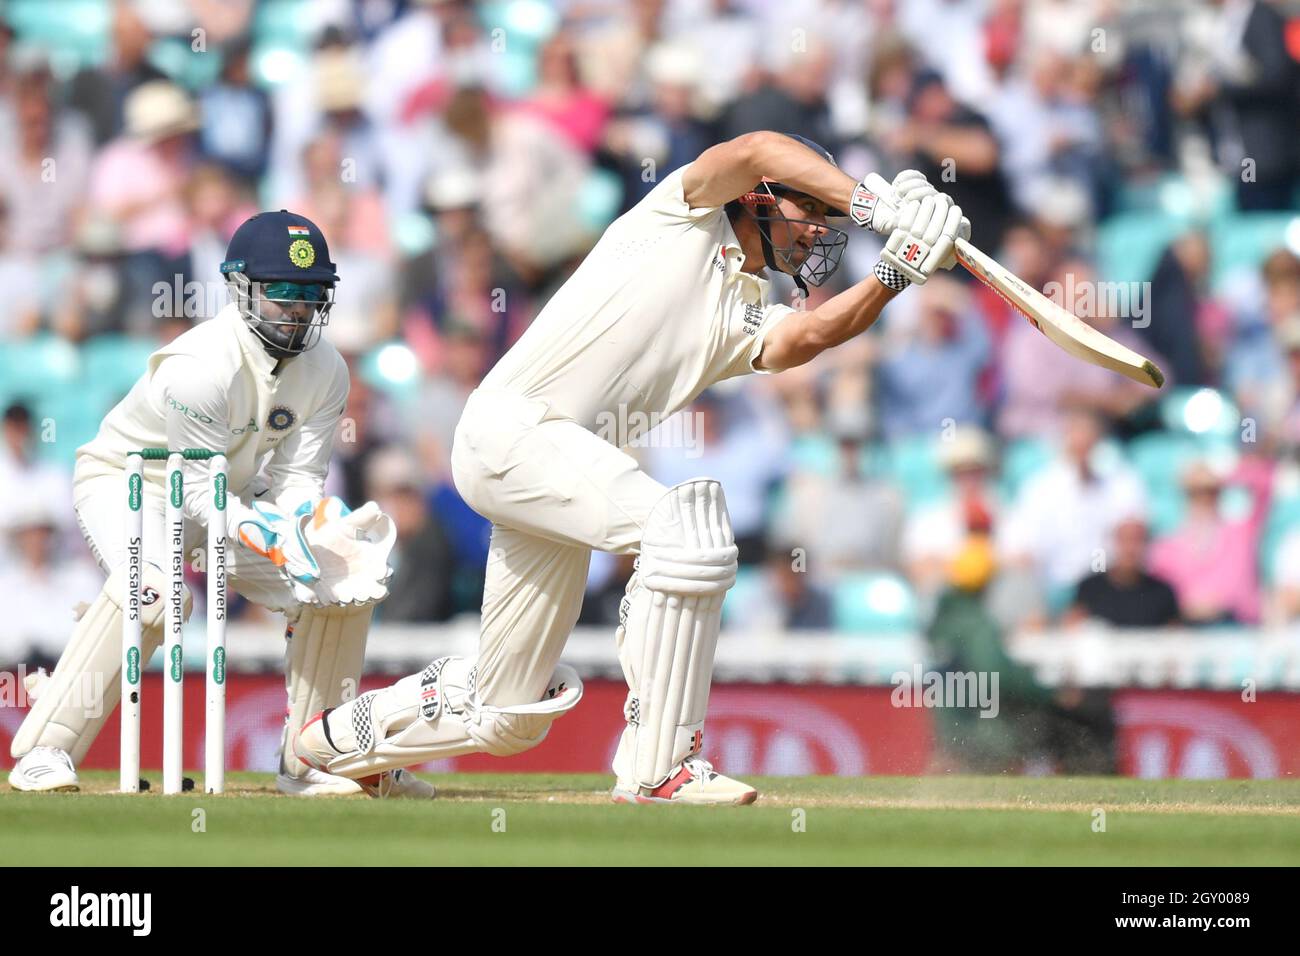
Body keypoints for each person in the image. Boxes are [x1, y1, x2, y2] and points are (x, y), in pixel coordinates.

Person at [294, 131, 969, 805]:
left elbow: (811, 335)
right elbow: (761, 146)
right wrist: (869, 205)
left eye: (827, 220)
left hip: (557, 466)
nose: (819, 232)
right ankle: (661, 767)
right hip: (515, 431)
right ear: (760, 199)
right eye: (811, 213)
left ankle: (332, 747)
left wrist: (896, 272)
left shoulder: (749, 307)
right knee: (686, 533)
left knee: (507, 712)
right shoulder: (682, 214)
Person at [7, 210, 431, 799]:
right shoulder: (199, 368)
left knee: (338, 584)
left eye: (311, 294)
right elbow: (198, 493)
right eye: (281, 292)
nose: (297, 308)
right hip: (133, 485)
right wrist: (268, 532)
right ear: (242, 289)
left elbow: (299, 478)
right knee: (157, 594)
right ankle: (44, 751)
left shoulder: (328, 370)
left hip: (226, 494)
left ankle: (314, 758)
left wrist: (307, 529)